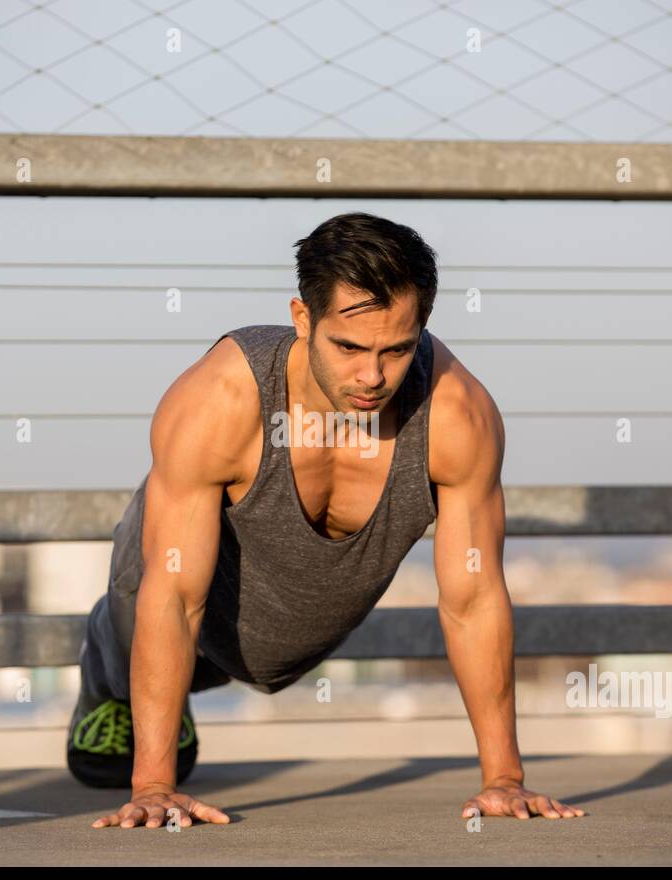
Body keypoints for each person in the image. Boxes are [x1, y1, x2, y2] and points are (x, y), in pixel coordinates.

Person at [67, 211, 587, 829]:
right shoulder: (219, 400)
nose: (373, 377)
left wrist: (504, 778)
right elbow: (176, 596)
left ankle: (173, 692)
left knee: (260, 654)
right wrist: (154, 785)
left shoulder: (457, 415)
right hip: (190, 594)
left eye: (397, 349)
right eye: (349, 347)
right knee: (148, 605)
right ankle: (115, 683)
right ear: (302, 319)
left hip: (306, 622)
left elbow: (473, 599)